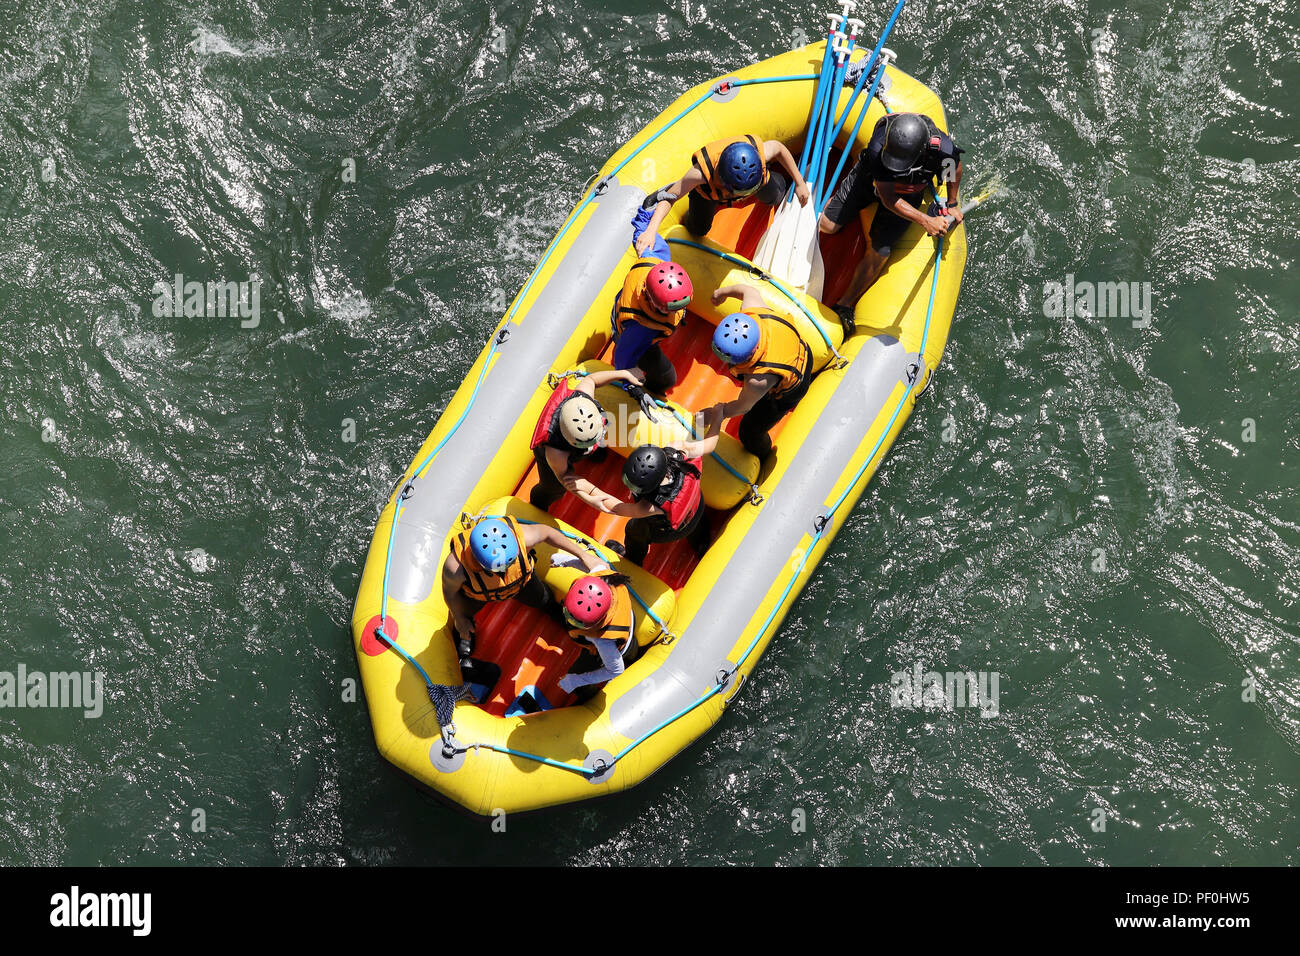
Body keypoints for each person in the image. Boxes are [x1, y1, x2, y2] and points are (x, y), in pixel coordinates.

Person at [818, 112, 965, 334]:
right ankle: (845, 205)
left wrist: (952, 202)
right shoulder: (879, 146)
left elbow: (954, 169)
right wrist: (926, 220)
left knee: (881, 251)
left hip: (908, 194)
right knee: (826, 225)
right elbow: (887, 198)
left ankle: (845, 305)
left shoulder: (942, 149)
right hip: (871, 183)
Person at [441, 516, 606, 660]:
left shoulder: (523, 536)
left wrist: (583, 555)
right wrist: (459, 618)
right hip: (479, 594)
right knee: (464, 615)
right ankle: (465, 631)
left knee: (544, 600)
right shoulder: (455, 568)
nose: (504, 570)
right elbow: (449, 593)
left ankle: (568, 622)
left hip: (520, 582)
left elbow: (548, 532)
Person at [636, 134, 812, 254]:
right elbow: (670, 198)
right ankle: (676, 188)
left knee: (775, 196)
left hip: (754, 184)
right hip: (708, 195)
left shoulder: (760, 154)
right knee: (698, 229)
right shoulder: (699, 175)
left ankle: (772, 186)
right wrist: (651, 230)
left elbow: (779, 148)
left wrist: (799, 183)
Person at [582, 415, 721, 564]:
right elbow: (709, 445)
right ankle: (702, 541)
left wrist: (586, 487)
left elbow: (617, 508)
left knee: (634, 529)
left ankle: (633, 560)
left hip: (674, 530)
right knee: (692, 516)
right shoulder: (677, 450)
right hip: (697, 507)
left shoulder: (650, 506)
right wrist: (718, 417)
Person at [702, 283, 814, 461]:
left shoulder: (758, 381)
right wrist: (720, 293)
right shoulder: (752, 313)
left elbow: (743, 406)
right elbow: (748, 290)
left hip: (794, 385)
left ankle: (763, 456)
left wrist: (714, 414)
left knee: (749, 431)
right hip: (802, 351)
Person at [530, 367, 644, 513]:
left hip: (581, 442)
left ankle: (595, 452)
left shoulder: (582, 398)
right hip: (553, 460)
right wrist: (589, 498)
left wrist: (623, 374)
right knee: (552, 488)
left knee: (598, 451)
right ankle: (537, 504)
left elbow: (591, 379)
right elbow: (564, 478)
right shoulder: (555, 453)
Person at [611, 256, 693, 396]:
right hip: (630, 337)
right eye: (671, 309)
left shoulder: (653, 260)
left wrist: (649, 232)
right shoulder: (641, 328)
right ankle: (649, 389)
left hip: (624, 313)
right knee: (667, 379)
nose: (677, 311)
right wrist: (630, 386)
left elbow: (646, 239)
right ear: (650, 300)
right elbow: (623, 356)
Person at [556, 571, 637, 698]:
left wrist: (575, 680)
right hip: (628, 626)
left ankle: (589, 697)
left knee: (576, 674)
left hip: (620, 649)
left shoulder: (603, 641)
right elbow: (594, 563)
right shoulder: (605, 579)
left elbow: (616, 670)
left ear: (595, 625)